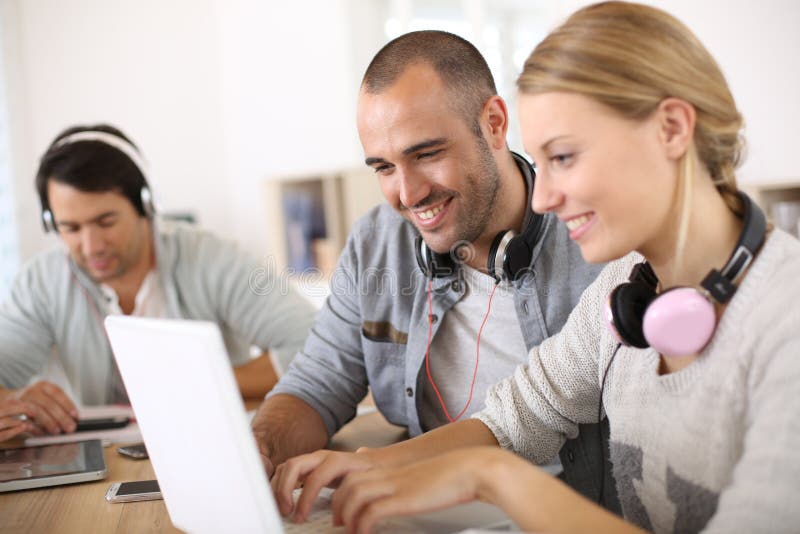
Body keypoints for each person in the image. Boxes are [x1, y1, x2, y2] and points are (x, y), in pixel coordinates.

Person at [270, 2, 800, 533]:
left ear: (671, 128)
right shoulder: (624, 289)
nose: (542, 197)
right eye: (540, 164)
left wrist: (492, 476)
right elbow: (517, 416)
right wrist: (364, 467)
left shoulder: (784, 320)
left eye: (564, 158)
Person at [252, 29, 612, 506]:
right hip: (429, 507)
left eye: (426, 154)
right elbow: (317, 383)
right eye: (383, 168)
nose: (407, 193)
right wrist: (258, 448)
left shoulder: (600, 242)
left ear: (495, 123)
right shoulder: (377, 241)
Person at [0, 124, 315, 437]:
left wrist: (198, 381)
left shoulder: (210, 257)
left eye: (105, 221)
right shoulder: (40, 282)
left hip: (207, 438)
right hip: (102, 457)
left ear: (145, 205)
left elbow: (315, 346)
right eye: (70, 228)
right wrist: (13, 400)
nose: (91, 245)